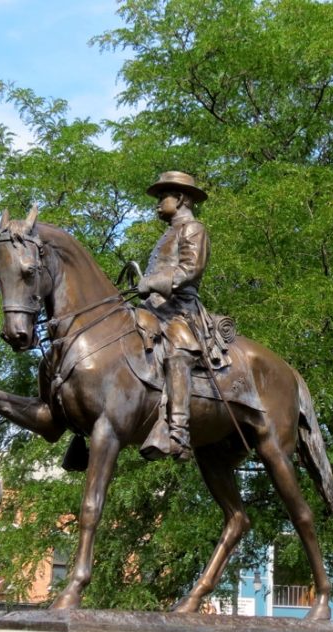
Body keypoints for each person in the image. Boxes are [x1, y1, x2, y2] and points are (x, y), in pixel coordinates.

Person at [137, 171, 211, 462]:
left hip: (180, 309)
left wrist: (153, 282)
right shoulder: (167, 233)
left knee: (179, 348)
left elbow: (190, 270)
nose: (157, 203)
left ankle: (179, 432)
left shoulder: (193, 229)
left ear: (180, 198)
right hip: (155, 307)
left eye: (162, 197)